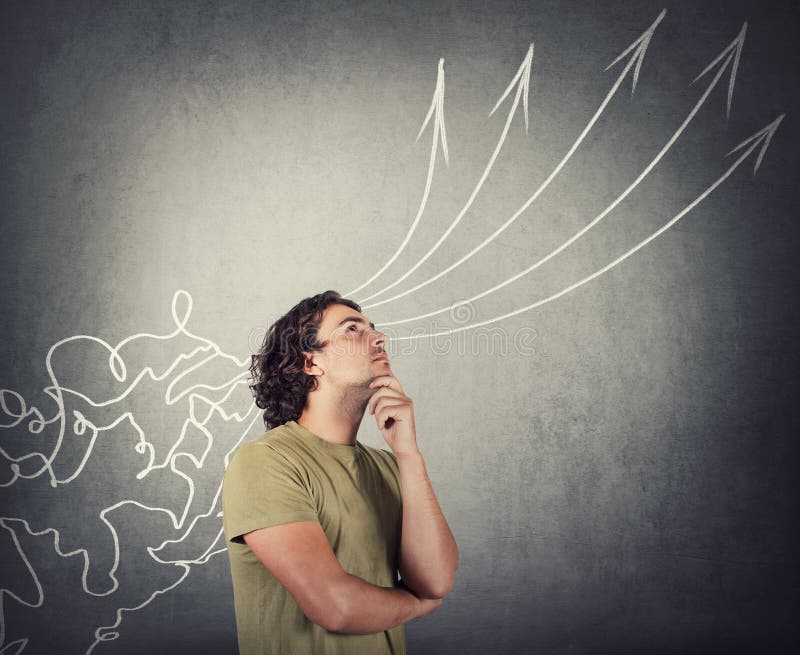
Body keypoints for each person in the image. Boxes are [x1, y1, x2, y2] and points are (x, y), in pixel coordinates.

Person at [222, 290, 459, 654]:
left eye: (372, 328)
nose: (380, 338)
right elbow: (335, 606)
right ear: (310, 362)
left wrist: (408, 454)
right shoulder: (266, 461)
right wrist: (416, 606)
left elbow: (437, 581)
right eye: (352, 329)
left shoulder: (390, 466)